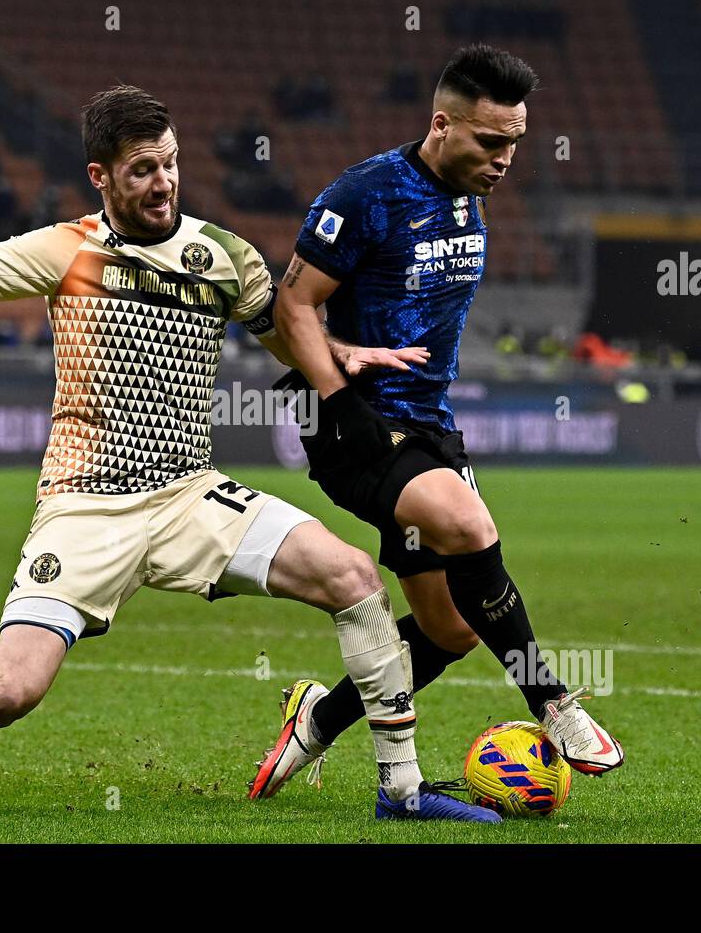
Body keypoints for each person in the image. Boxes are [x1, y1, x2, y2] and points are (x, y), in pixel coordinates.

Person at [0, 85, 499, 824]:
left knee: (351, 575)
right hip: (86, 506)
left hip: (190, 497)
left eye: (171, 164)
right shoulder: (66, 250)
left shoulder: (223, 256)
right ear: (102, 177)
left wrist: (346, 355)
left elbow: (287, 336)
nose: (164, 182)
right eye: (143, 169)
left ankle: (400, 792)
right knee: (7, 695)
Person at [251, 43, 625, 799]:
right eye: (491, 141)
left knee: (452, 630)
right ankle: (550, 701)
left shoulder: (468, 190)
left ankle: (318, 721)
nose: (505, 158)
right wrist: (339, 397)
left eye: (515, 142)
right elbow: (292, 305)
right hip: (356, 425)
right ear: (442, 124)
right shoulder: (366, 194)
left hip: (427, 426)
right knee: (471, 526)